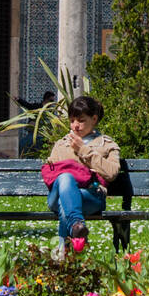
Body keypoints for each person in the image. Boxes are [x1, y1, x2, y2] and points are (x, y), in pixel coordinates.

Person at [42, 95, 120, 257]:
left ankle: (65, 254)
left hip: (91, 196)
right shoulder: (61, 144)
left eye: (81, 120)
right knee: (65, 178)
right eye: (72, 121)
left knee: (68, 205)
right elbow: (51, 174)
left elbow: (112, 172)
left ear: (94, 119)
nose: (75, 126)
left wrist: (84, 151)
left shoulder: (106, 144)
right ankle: (77, 226)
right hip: (57, 195)